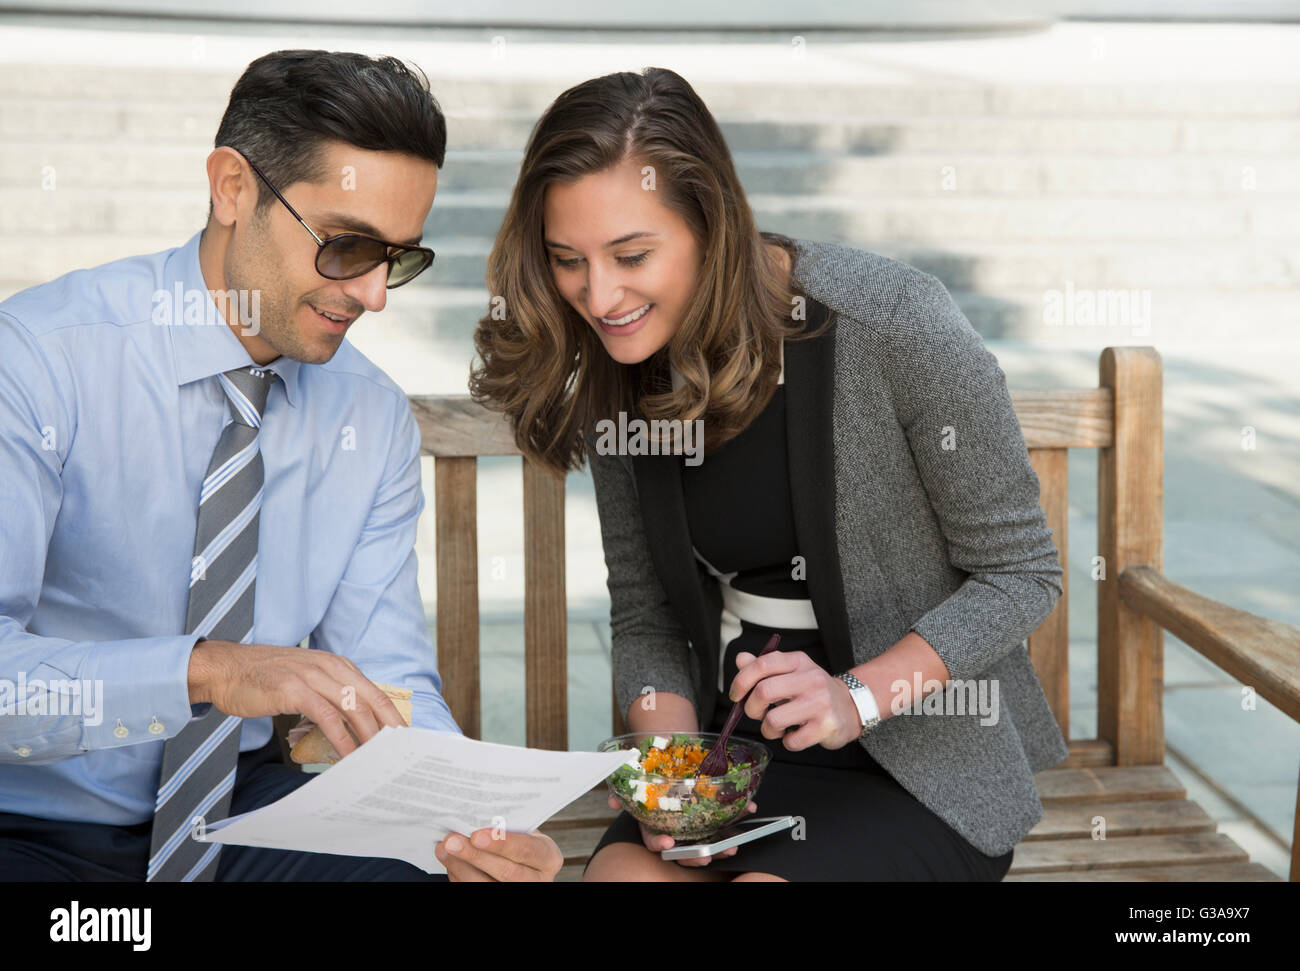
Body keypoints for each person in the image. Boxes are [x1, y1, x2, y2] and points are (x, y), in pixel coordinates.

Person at [469, 66, 1070, 881]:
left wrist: (853, 696)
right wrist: (672, 777)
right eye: (567, 260)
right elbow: (647, 614)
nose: (600, 295)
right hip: (735, 755)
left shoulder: (894, 323)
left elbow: (1021, 572)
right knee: (618, 876)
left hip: (920, 761)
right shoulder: (620, 358)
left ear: (711, 223)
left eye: (632, 254)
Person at [0, 49, 560, 883]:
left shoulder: (368, 416)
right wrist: (212, 670)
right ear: (232, 188)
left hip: (242, 810)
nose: (373, 294)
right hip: (33, 819)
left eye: (398, 258)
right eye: (346, 245)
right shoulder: (40, 362)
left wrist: (472, 828)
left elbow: (387, 679)